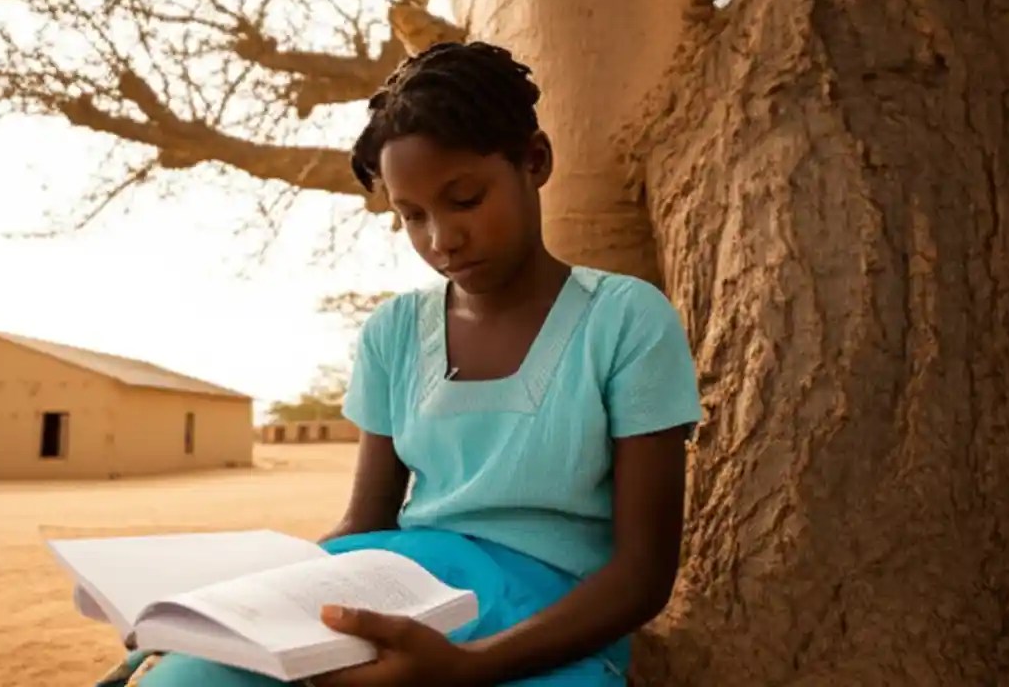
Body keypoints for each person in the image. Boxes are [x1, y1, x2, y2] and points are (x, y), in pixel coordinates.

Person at [98, 41, 702, 687]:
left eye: (465, 199)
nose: (441, 239)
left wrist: (465, 667)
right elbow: (365, 522)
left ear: (535, 161)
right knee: (185, 681)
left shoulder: (626, 321)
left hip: (553, 629)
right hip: (400, 588)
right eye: (412, 216)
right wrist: (218, 623)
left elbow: (642, 574)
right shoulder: (393, 332)